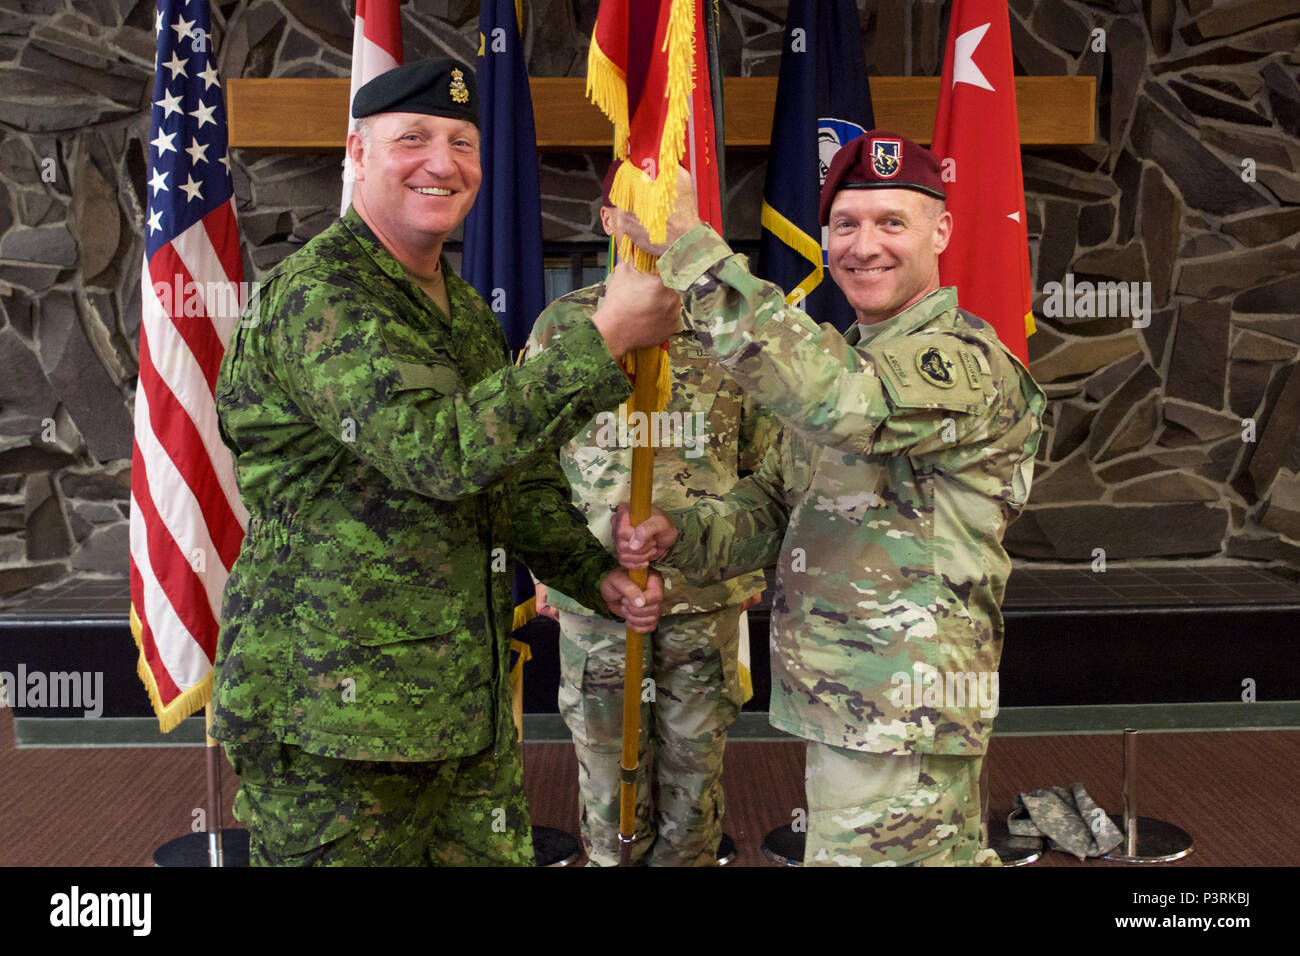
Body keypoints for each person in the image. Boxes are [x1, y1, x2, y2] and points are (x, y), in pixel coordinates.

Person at [210, 58, 676, 866]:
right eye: (412, 138)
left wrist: (587, 568)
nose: (442, 162)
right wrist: (601, 337)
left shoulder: (457, 305)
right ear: (355, 153)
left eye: (462, 142)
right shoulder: (322, 296)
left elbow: (510, 470)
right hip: (337, 720)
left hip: (463, 704)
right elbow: (437, 453)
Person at [615, 133, 1046, 866]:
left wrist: (691, 248)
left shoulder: (962, 361)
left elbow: (841, 403)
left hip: (904, 712)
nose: (863, 245)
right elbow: (780, 511)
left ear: (940, 231)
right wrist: (676, 534)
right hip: (853, 704)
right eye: (845, 225)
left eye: (891, 222)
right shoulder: (849, 358)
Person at [520, 163, 780, 866]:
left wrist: (744, 559)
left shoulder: (732, 329)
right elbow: (529, 463)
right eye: (637, 206)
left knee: (695, 782)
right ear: (608, 220)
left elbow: (767, 461)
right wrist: (550, 570)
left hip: (703, 596)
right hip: (596, 595)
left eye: (672, 205)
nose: (654, 221)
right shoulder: (567, 327)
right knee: (608, 780)